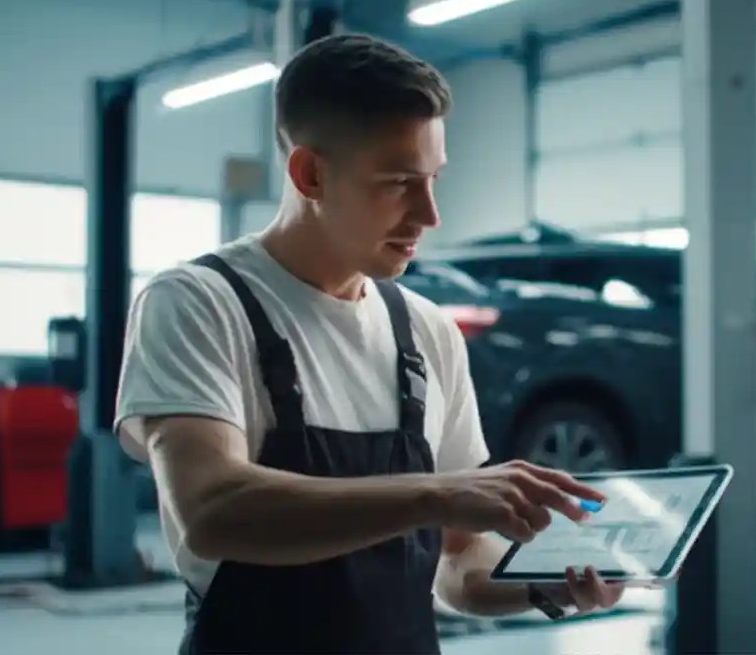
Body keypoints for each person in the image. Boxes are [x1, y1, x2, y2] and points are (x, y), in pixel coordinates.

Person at [113, 33, 624, 654]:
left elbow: (459, 566)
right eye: (399, 182)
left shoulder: (427, 331)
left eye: (433, 178)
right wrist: (436, 493)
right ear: (309, 173)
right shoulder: (199, 304)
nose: (430, 214)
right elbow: (213, 509)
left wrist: (549, 585)